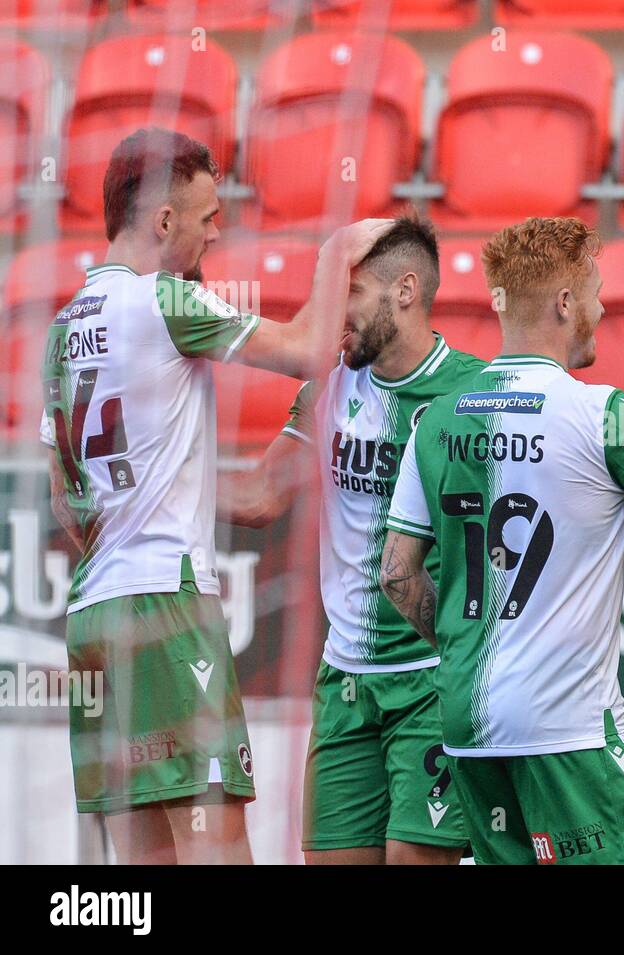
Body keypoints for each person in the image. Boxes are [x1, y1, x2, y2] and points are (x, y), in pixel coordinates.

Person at [39, 126, 388, 863]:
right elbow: (305, 347)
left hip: (93, 617)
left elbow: (67, 504)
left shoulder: (62, 329)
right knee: (218, 848)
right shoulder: (162, 300)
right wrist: (334, 256)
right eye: (206, 217)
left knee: (140, 863)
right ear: (163, 221)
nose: (216, 232)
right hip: (166, 605)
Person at [378, 216, 624, 864]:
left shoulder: (435, 418)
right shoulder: (601, 412)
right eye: (596, 293)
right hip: (567, 726)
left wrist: (474, 646)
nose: (603, 309)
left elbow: (397, 575)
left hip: (470, 723)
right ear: (565, 303)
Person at [219, 213, 483, 864]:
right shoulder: (330, 385)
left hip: (432, 676)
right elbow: (258, 497)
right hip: (345, 680)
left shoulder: (475, 392)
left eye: (351, 296)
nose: (334, 318)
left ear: (405, 291)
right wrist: (148, 486)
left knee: (413, 858)